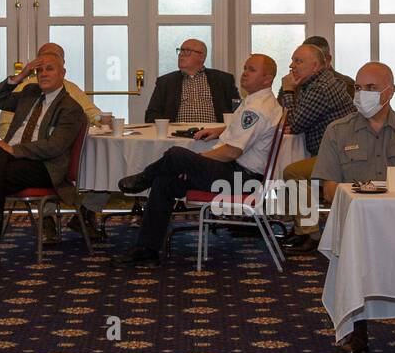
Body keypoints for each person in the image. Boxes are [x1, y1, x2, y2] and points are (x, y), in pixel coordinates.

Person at [311, 62, 395, 353]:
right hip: (358, 222)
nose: (361, 94)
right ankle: (355, 328)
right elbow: (329, 189)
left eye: (369, 88)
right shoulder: (337, 132)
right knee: (354, 252)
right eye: (357, 87)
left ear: (389, 92)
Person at [112, 55, 282, 265]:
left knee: (177, 155)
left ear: (267, 79)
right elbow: (243, 132)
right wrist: (220, 130)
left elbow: (231, 152)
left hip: (241, 179)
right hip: (237, 173)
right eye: (245, 67)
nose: (245, 72)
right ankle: (147, 248)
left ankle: (143, 179)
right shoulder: (259, 101)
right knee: (164, 182)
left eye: (252, 70)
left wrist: (196, 162)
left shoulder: (257, 109)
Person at [0, 52, 89, 273]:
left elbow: (55, 147)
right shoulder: (30, 93)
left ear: (63, 73)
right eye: (39, 70)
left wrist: (14, 149)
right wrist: (20, 76)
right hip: (10, 162)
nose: (43, 74)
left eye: (49, 68)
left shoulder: (70, 108)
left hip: (44, 167)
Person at [277, 44, 356, 255]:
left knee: (293, 172)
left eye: (298, 61)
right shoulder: (315, 83)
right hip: (333, 152)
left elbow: (295, 122)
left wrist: (287, 91)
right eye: (293, 60)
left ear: (315, 65)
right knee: (294, 166)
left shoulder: (320, 88)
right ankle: (299, 228)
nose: (292, 66)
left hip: (343, 157)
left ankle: (311, 234)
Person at [143, 39, 240, 123]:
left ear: (201, 56)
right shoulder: (165, 82)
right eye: (180, 51)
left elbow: (238, 111)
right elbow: (151, 114)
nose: (181, 54)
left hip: (214, 136)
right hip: (176, 136)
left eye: (187, 51)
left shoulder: (223, 79)